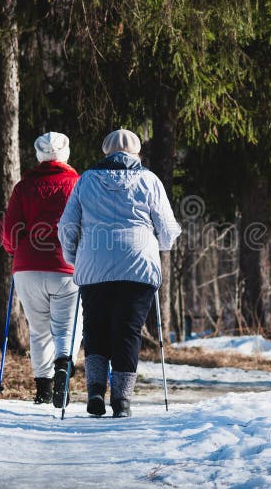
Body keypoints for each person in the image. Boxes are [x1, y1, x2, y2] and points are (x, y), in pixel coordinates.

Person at [58, 129, 181, 417]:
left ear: (106, 151)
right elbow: (167, 229)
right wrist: (161, 245)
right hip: (138, 266)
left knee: (95, 328)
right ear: (136, 152)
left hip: (94, 265)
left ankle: (95, 392)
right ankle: (122, 400)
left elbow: (67, 226)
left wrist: (73, 257)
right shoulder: (149, 180)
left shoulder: (86, 180)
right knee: (128, 331)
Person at [1, 132, 82, 407]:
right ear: (65, 154)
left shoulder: (24, 187)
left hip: (28, 268)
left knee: (38, 330)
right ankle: (63, 368)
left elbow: (10, 232)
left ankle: (43, 390)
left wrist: (15, 250)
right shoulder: (78, 185)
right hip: (67, 266)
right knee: (67, 328)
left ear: (39, 156)